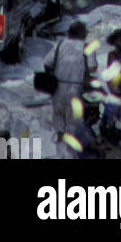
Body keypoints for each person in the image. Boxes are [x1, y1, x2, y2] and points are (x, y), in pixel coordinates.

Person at [45, 20, 96, 156]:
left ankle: (60, 152)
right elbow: (93, 67)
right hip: (76, 89)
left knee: (58, 120)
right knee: (73, 124)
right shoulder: (86, 47)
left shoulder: (60, 44)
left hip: (57, 89)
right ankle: (71, 154)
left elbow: (47, 62)